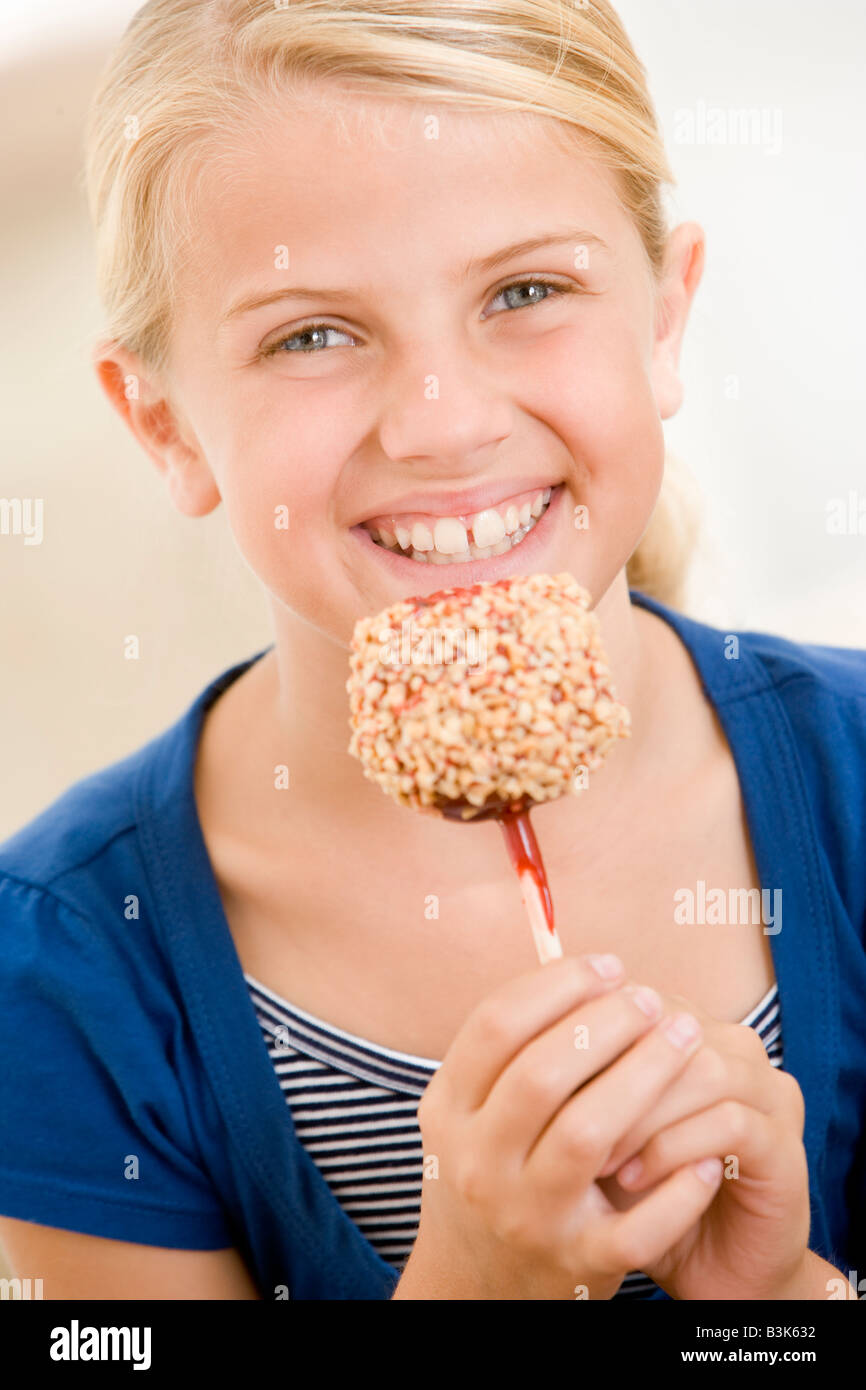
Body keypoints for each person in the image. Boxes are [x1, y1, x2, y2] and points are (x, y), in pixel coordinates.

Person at [0, 0, 863, 1301]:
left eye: (525, 291)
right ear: (164, 423)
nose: (442, 423)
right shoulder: (62, 967)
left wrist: (775, 1305)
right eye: (311, 334)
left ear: (664, 318)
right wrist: (475, 1280)